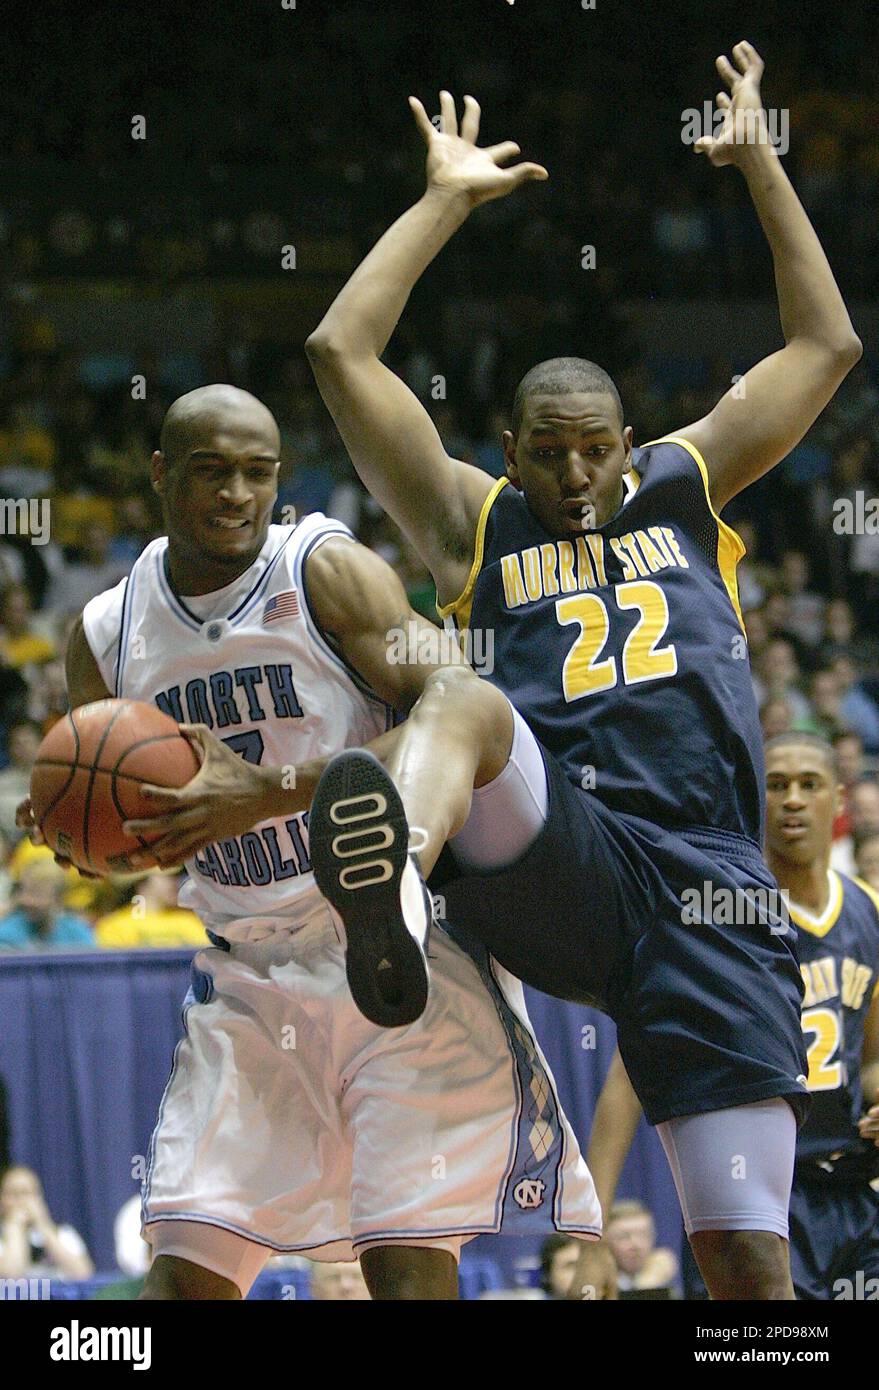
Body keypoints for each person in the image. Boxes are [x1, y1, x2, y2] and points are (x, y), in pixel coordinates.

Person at [304, 43, 862, 1300]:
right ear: (511, 447)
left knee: (745, 1266)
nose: (571, 478)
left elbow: (824, 344)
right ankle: (387, 882)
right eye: (547, 454)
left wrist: (764, 163)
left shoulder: (691, 474)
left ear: (629, 443)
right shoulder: (473, 517)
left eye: (593, 454)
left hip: (710, 886)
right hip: (564, 846)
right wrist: (443, 198)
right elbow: (342, 352)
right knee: (466, 693)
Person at [30, 382, 600, 1301]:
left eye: (259, 474)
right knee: (182, 1277)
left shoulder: (322, 570)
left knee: (404, 1267)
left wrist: (266, 795)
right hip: (249, 974)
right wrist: (79, 837)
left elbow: (455, 703)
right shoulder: (105, 632)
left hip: (392, 950)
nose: (237, 495)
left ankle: (386, 885)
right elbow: (120, 820)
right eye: (212, 472)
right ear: (161, 474)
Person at [586, 734, 879, 1301]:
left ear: (838, 801)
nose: (792, 799)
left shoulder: (868, 910)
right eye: (777, 785)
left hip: (851, 1195)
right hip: (757, 1195)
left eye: (808, 785)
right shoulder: (720, 913)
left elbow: (872, 1059)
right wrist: (592, 1233)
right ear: (755, 798)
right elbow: (629, 1079)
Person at [0, 1165, 94, 1280]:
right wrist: (15, 1227)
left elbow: (82, 1274)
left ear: (39, 1198)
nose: (21, 1200)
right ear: (2, 1199)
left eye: (26, 1193)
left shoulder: (63, 1233)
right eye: (14, 1194)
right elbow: (10, 1277)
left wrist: (43, 1225)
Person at [0, 859, 94, 950]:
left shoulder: (76, 933)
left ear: (58, 898)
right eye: (24, 891)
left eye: (37, 894)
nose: (28, 901)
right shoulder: (6, 933)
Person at [604, 1200, 678, 1295]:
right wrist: (647, 1285)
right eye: (623, 1236)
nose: (636, 1245)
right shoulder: (596, 1284)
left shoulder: (663, 1272)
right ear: (606, 1243)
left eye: (643, 1235)